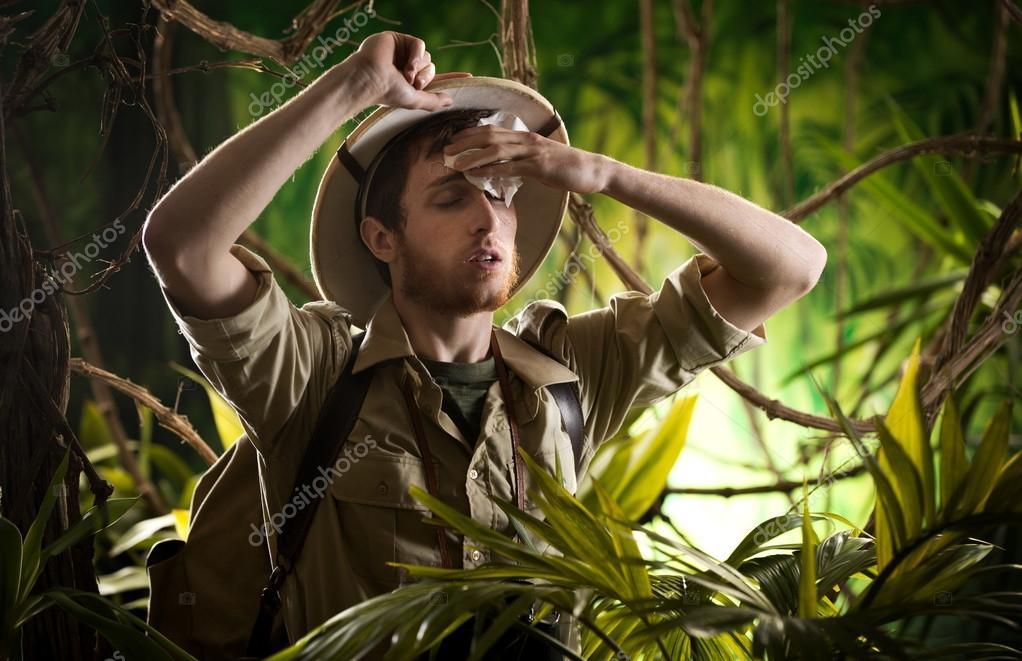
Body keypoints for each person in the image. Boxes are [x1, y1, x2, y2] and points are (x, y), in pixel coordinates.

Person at [142, 29, 825, 660]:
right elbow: (182, 246)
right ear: (383, 237)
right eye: (449, 199)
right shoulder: (312, 375)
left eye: (500, 196)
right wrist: (352, 87)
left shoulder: (570, 375)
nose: (486, 219)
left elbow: (791, 268)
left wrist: (602, 174)